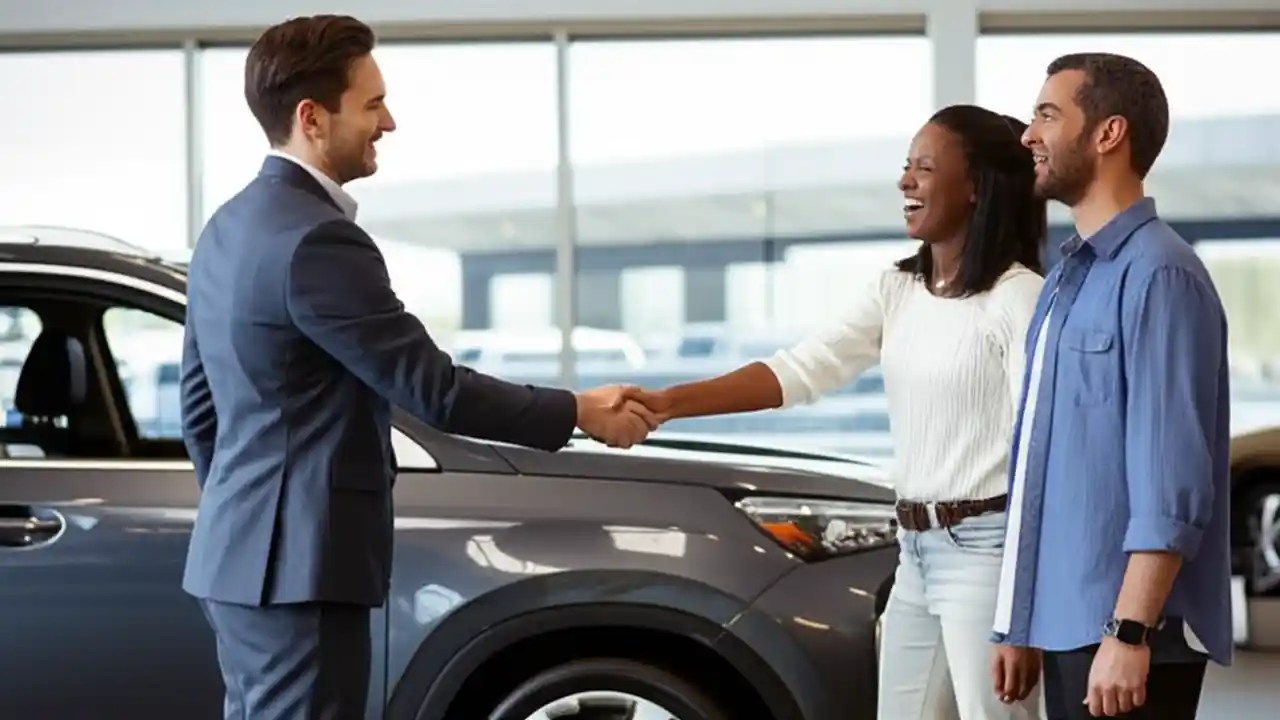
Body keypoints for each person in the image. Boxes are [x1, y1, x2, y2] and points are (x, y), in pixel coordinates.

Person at [179, 15, 655, 719]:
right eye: (372, 104)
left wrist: (249, 516)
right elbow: (432, 388)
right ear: (312, 118)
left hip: (239, 561)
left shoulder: (229, 225)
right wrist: (579, 410)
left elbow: (200, 407)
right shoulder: (318, 240)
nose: (389, 122)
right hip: (301, 571)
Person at [621, 105, 1048, 719]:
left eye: (924, 167)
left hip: (988, 552)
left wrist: (1022, 613)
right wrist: (668, 404)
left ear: (976, 186)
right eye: (907, 167)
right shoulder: (897, 290)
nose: (905, 182)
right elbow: (800, 370)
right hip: (917, 552)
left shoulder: (1016, 299)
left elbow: (1043, 459)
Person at [991, 52, 1233, 719]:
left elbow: (1172, 479)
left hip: (1126, 634)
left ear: (1108, 134)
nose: (1028, 136)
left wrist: (1129, 632)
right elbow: (1046, 465)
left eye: (1047, 115)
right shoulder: (1068, 279)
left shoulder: (1161, 275)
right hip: (1067, 626)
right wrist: (1021, 621)